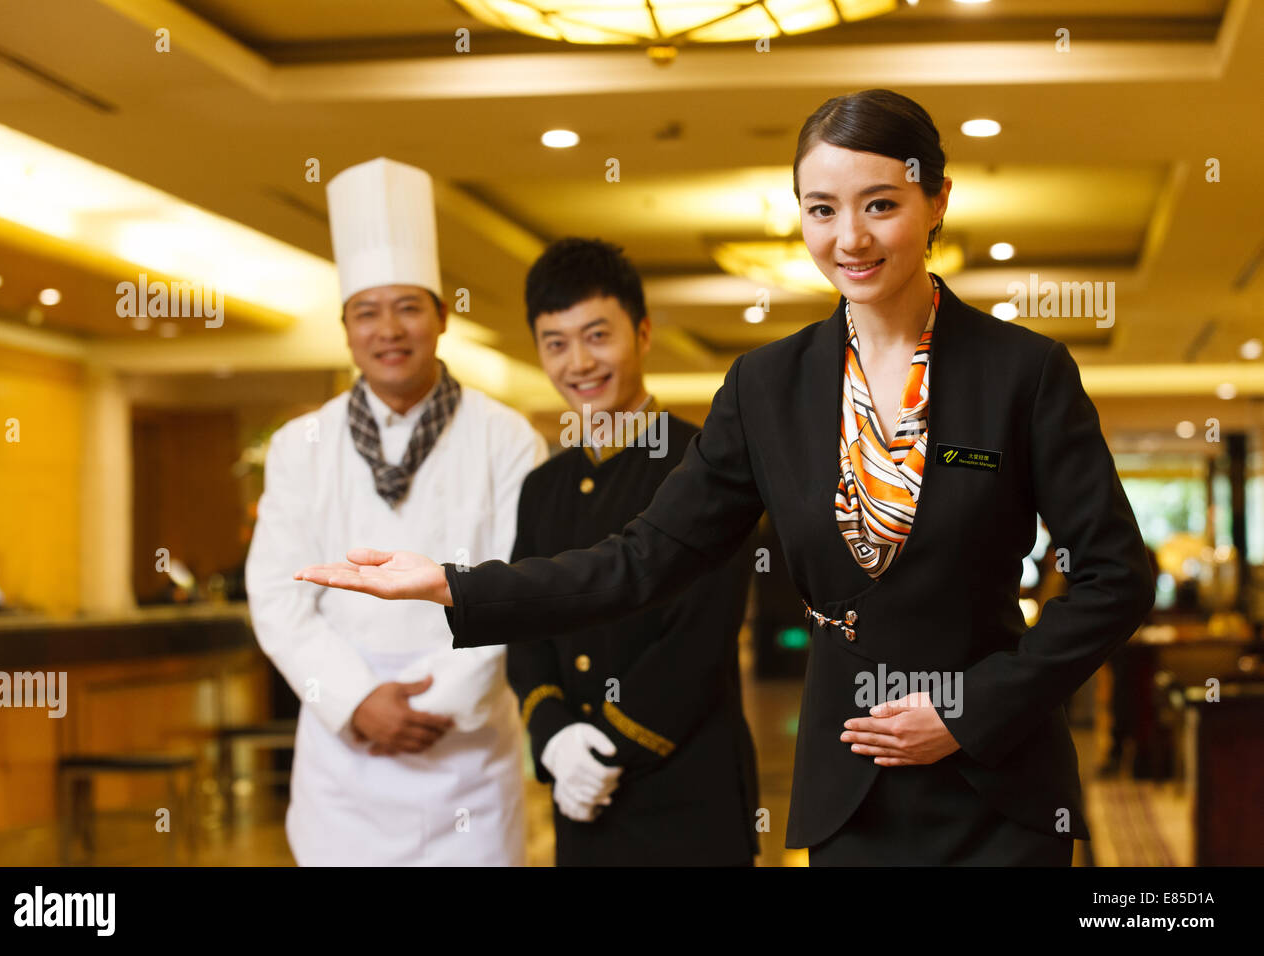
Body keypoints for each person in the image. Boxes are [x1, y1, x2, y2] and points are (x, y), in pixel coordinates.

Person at [295, 90, 1156, 866]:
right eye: (822, 210)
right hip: (851, 780)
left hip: (995, 782)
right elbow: (644, 559)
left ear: (936, 202)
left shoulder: (1023, 372)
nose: (848, 238)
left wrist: (968, 711)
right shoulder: (767, 387)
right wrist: (455, 585)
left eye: (880, 205)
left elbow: (1116, 576)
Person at [246, 157, 547, 865]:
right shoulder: (299, 445)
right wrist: (356, 701)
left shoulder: (508, 438)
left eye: (408, 306)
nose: (389, 329)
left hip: (467, 749)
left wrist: (436, 701)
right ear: (346, 328)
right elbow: (277, 595)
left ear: (443, 316)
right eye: (367, 311)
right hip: (344, 753)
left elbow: (521, 585)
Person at [507, 237, 759, 865]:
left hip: (687, 794)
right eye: (555, 343)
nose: (579, 363)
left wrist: (605, 746)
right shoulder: (543, 487)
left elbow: (699, 638)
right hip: (580, 797)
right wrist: (556, 738)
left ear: (643, 333)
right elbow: (524, 627)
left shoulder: (703, 464)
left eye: (598, 335)